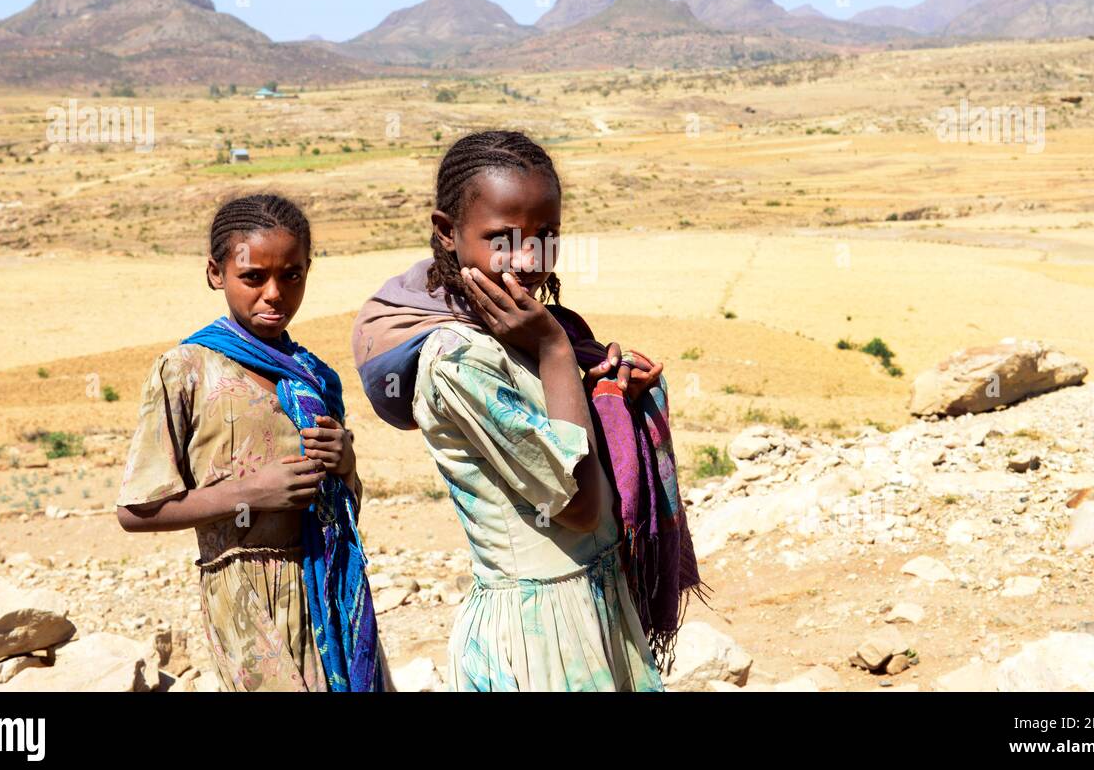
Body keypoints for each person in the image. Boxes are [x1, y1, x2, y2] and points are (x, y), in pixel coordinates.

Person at [354, 131, 701, 691]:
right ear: (447, 232)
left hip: (593, 608)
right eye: (502, 238)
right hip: (540, 638)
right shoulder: (460, 358)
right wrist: (556, 354)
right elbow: (580, 505)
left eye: (547, 237)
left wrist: (615, 399)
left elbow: (577, 438)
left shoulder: (533, 329)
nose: (527, 259)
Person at [117, 192, 387, 691]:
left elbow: (345, 509)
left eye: (292, 275)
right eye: (252, 277)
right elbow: (136, 510)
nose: (274, 294)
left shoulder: (315, 378)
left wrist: (345, 464)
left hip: (327, 585)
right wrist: (249, 495)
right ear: (215, 274)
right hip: (244, 595)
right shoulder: (187, 370)